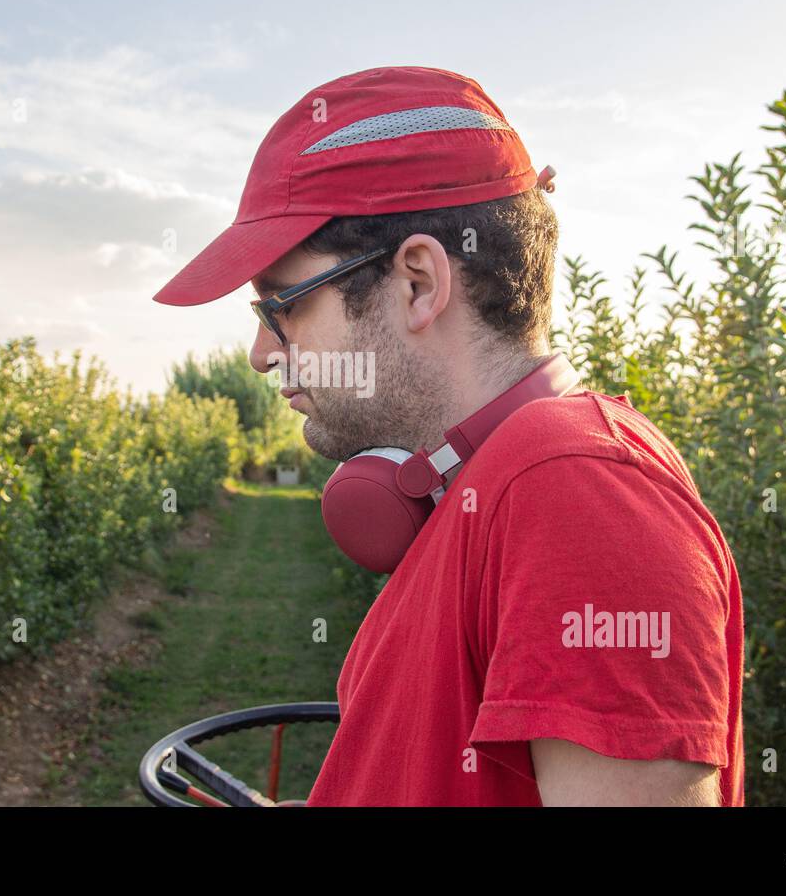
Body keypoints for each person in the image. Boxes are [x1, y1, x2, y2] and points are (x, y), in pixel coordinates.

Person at [153, 66, 744, 806]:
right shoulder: (487, 481)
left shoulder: (577, 489)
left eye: (283, 307)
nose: (263, 355)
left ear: (418, 283)